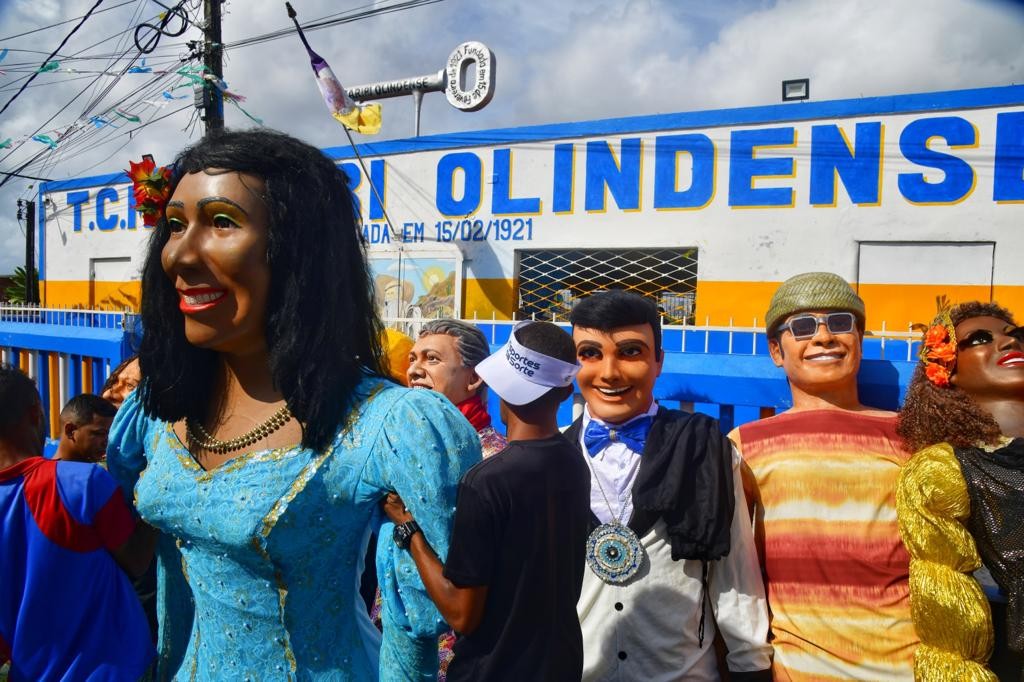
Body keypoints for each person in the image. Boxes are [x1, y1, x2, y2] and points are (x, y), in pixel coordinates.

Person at [105, 129, 481, 681]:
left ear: (299, 249)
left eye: (222, 222)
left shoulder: (388, 424)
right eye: (177, 225)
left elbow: (422, 628)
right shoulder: (159, 408)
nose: (181, 255)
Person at [566, 290, 772, 681]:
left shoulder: (706, 450)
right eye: (590, 353)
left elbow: (735, 575)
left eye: (630, 352)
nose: (609, 372)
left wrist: (751, 665)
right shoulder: (551, 457)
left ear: (659, 360)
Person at [729, 271, 918, 680]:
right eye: (801, 327)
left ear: (859, 341)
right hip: (797, 667)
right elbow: (732, 566)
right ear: (777, 351)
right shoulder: (745, 445)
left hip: (905, 664)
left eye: (839, 323)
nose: (823, 337)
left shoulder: (908, 436)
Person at [383, 321, 591, 681]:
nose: (416, 369)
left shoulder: (486, 479)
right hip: (559, 664)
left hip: (492, 668)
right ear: (564, 391)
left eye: (432, 358)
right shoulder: (573, 460)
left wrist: (408, 529)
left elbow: (462, 614)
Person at [0, 365, 154, 679]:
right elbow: (137, 561)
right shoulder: (83, 484)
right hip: (106, 668)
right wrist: (156, 489)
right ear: (35, 415)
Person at [896, 301, 1023, 680]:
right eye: (980, 339)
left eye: (1015, 336)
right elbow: (945, 589)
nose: (1007, 343)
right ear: (945, 370)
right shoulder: (943, 471)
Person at [408, 318, 508, 458]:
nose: (413, 370)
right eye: (412, 359)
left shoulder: (493, 459)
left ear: (473, 378)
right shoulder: (401, 440)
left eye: (432, 358)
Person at [53, 393, 116, 463]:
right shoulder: (94, 473)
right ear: (70, 430)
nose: (106, 442)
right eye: (100, 433)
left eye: (109, 435)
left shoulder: (41, 471)